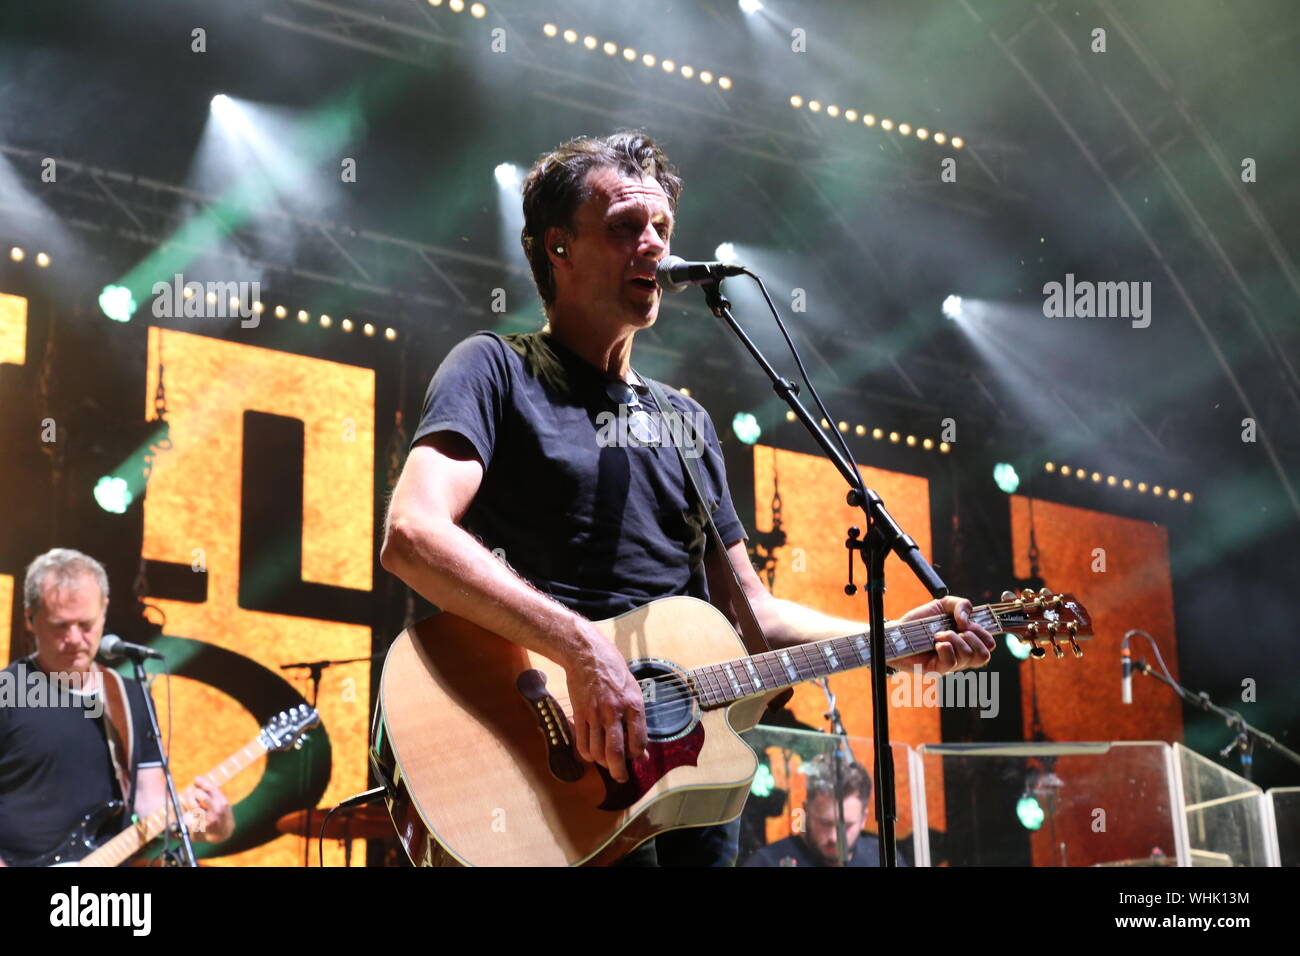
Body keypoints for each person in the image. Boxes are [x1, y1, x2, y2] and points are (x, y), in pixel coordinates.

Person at [380, 131, 994, 866]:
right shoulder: (494, 370)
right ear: (558, 248)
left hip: (682, 787)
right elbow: (412, 533)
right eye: (624, 228)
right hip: (541, 752)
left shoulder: (686, 422)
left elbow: (755, 620)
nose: (653, 246)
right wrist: (582, 650)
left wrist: (894, 641)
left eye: (662, 229)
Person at [0, 548, 234, 866]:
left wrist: (209, 826)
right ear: (30, 619)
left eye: (86, 625)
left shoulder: (129, 698)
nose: (75, 638)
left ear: (104, 611)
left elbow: (152, 808)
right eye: (60, 626)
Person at [742, 755, 904, 867]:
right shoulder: (766, 862)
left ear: (863, 819)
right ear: (806, 812)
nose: (834, 837)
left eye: (846, 825)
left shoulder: (883, 857)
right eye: (825, 823)